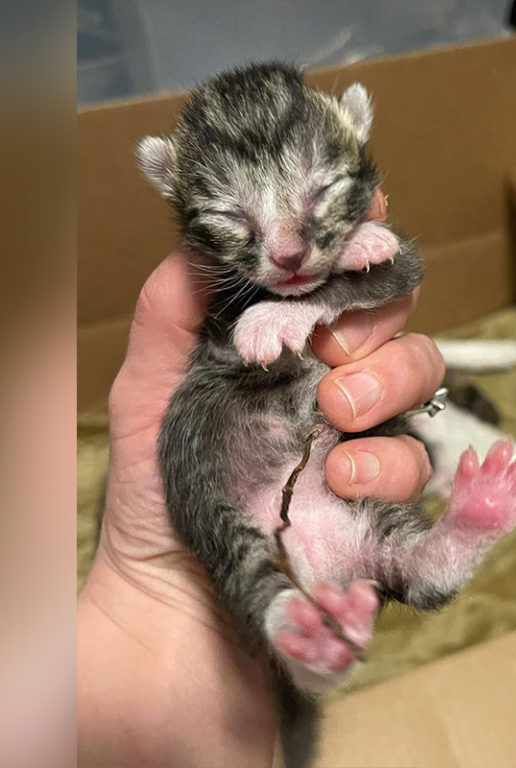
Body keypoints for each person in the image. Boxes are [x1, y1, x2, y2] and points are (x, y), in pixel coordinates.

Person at [77, 192, 445, 767]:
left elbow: (400, 266)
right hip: (247, 516)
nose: (287, 245)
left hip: (303, 502)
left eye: (315, 194)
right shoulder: (205, 292)